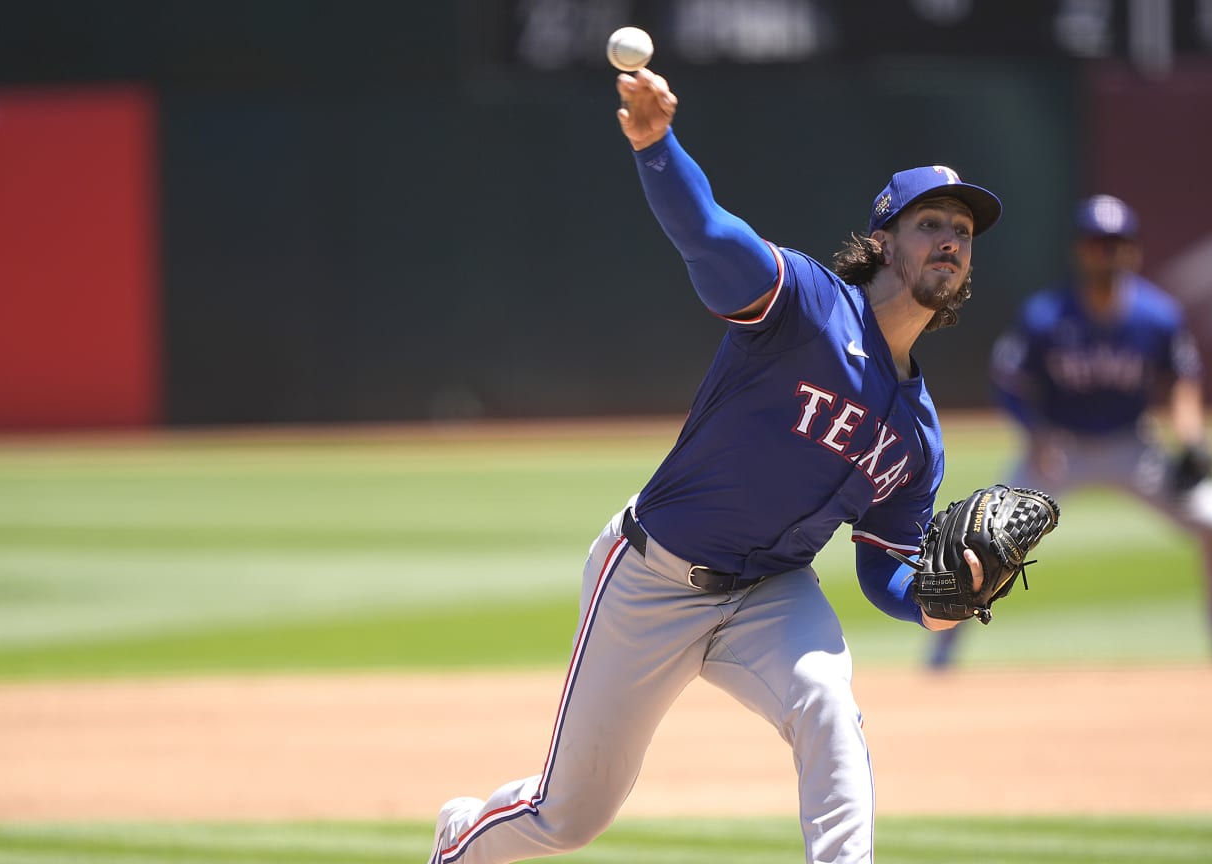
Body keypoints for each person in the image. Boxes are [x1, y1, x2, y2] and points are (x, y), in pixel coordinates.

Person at [428, 66, 1003, 864]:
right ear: (882, 239)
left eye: (963, 234)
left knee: (828, 707)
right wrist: (654, 145)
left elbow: (885, 573)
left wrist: (941, 605)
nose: (950, 239)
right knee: (570, 817)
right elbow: (705, 232)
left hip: (772, 592)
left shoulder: (920, 438)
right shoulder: (801, 305)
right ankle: (459, 842)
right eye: (930, 222)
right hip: (655, 578)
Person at [925, 194, 1212, 672]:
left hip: (1133, 448)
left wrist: (1192, 437)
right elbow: (1009, 382)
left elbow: (1181, 380)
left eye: (1115, 244)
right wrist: (1037, 434)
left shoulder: (1157, 316)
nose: (1106, 254)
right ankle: (942, 648)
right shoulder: (1046, 316)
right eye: (1096, 243)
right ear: (1079, 250)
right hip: (1060, 450)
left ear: (1132, 251)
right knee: (979, 538)